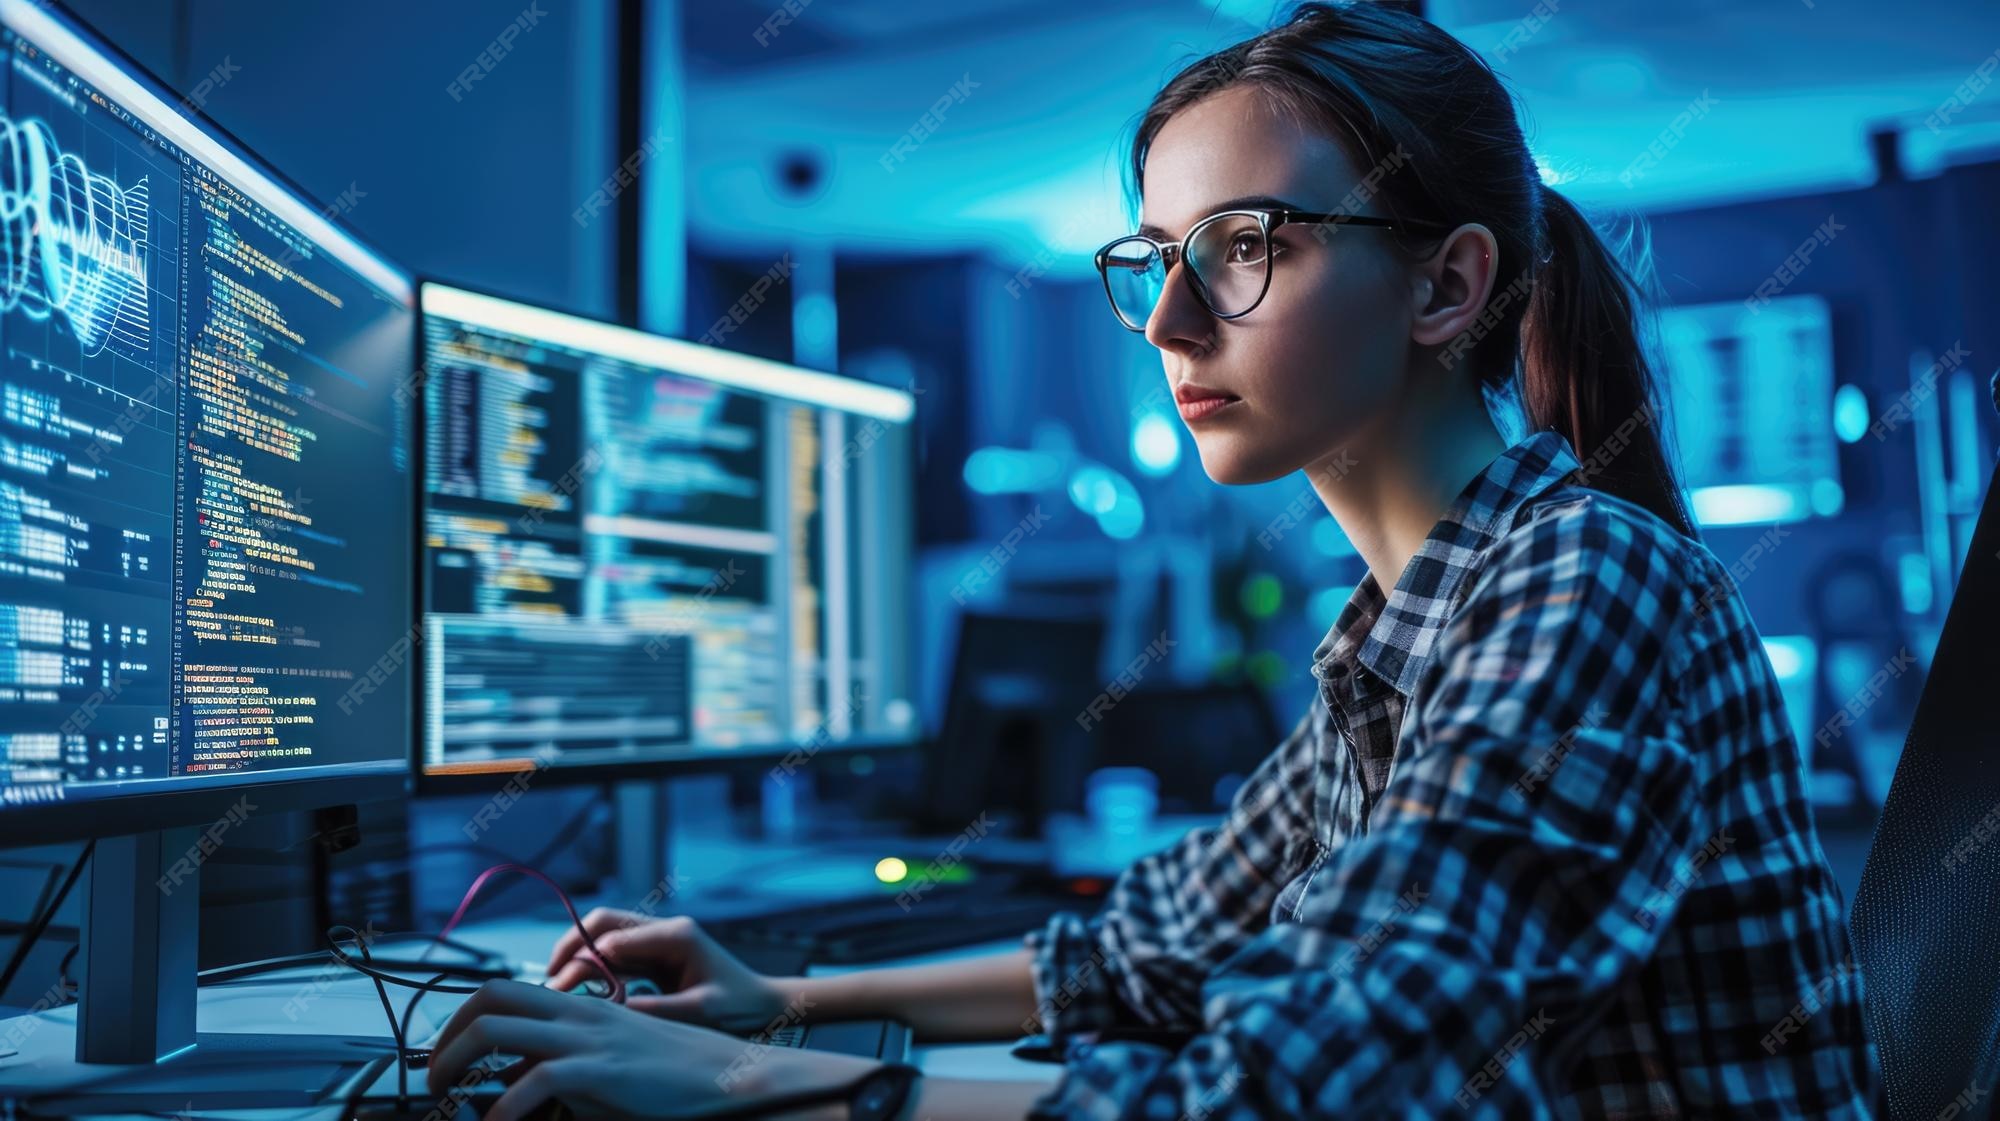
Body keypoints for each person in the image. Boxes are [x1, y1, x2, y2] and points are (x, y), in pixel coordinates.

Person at [425, 3, 1881, 1116]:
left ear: (1447, 283)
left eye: (1245, 245)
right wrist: (783, 999)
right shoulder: (1400, 633)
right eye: (1156, 257)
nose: (1174, 323)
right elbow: (1152, 945)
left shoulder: (1585, 586)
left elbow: (1292, 1087)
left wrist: (762, 1088)